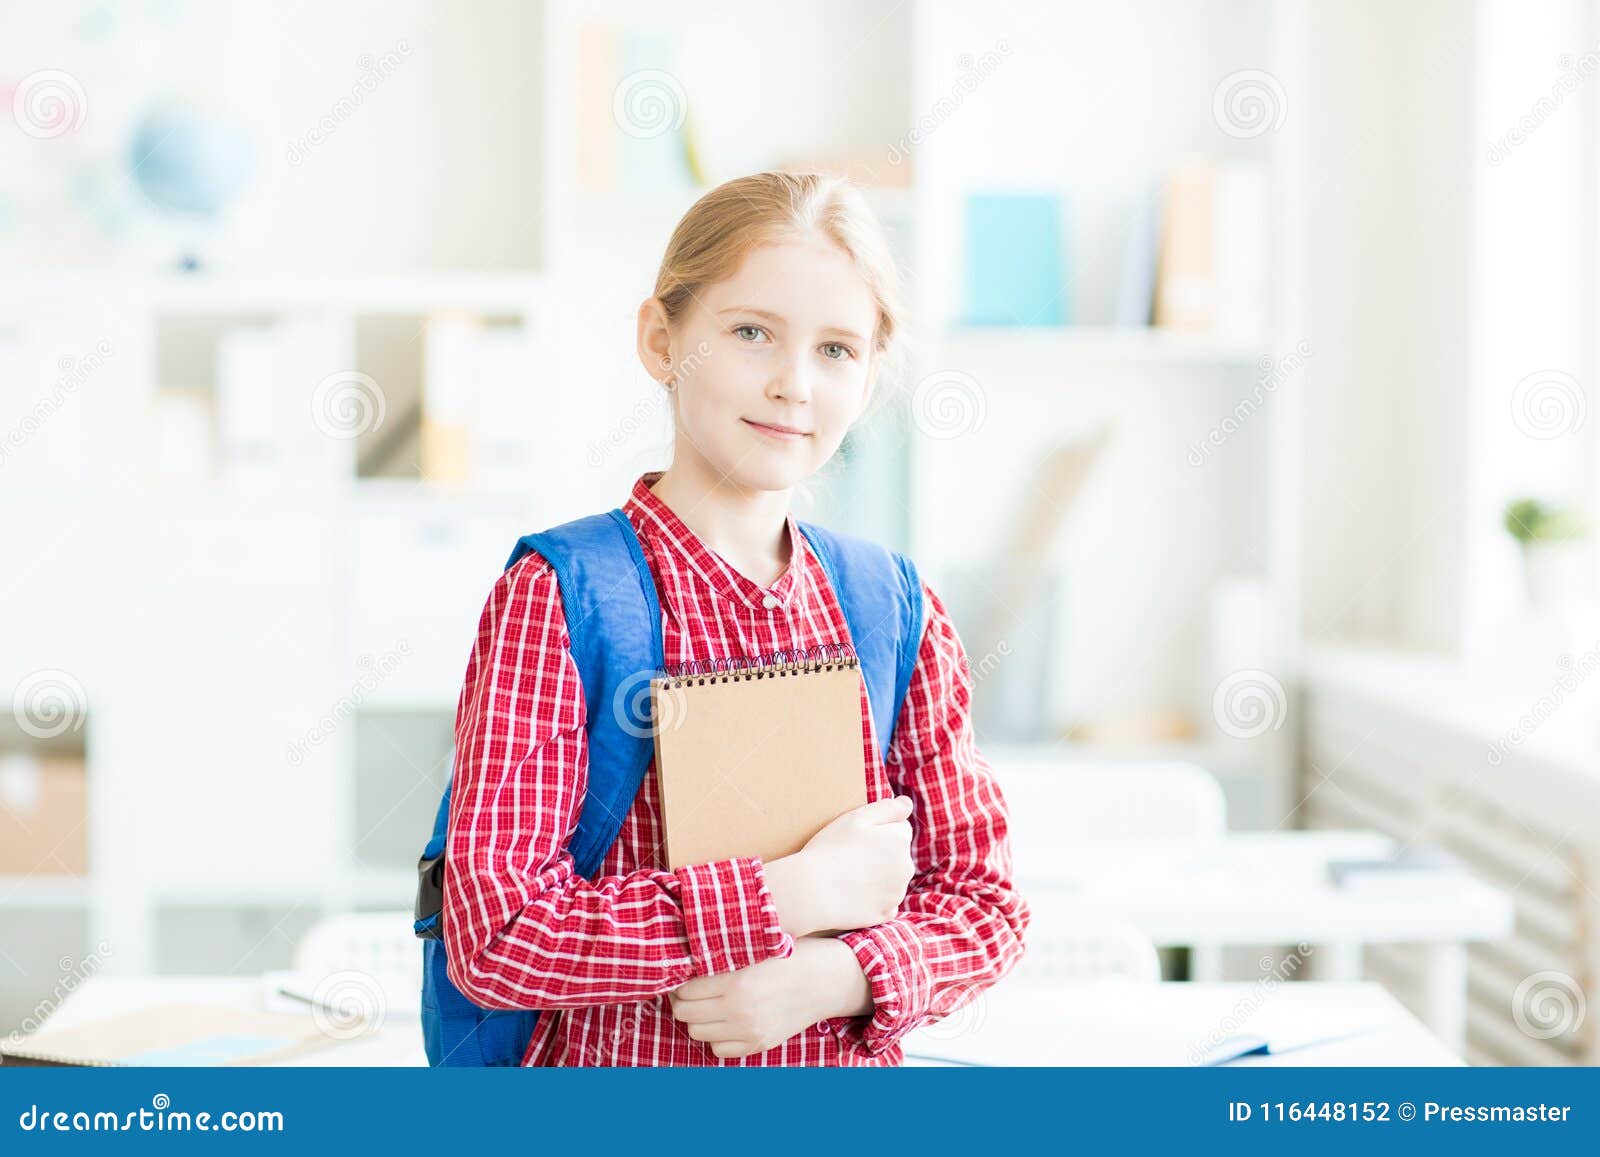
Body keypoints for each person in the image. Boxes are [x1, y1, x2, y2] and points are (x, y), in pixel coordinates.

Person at [442, 170, 1028, 1066]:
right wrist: (789, 894)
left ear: (871, 375)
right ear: (660, 338)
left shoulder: (892, 606)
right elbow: (497, 934)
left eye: (837, 349)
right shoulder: (563, 595)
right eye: (752, 332)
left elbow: (984, 905)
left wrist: (837, 977)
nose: (794, 384)